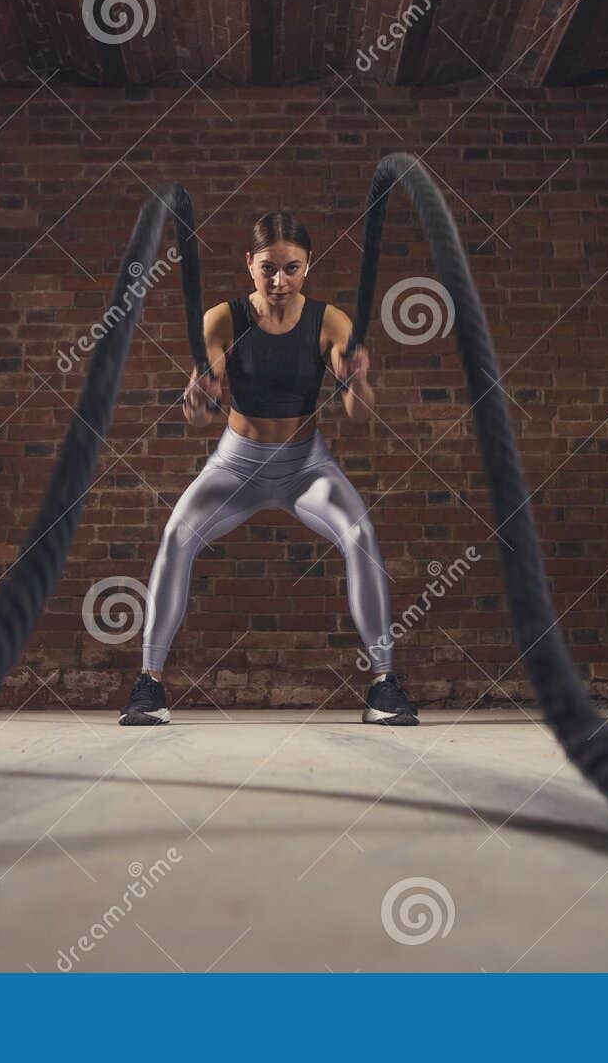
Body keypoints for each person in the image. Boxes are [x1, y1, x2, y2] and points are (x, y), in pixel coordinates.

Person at [117, 211, 419, 726]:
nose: (280, 281)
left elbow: (357, 413)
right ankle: (149, 685)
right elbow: (202, 398)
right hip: (236, 466)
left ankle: (384, 686)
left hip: (306, 467)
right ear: (249, 266)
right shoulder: (222, 318)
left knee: (360, 533)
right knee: (176, 535)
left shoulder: (331, 321)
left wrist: (357, 381)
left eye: (293, 269)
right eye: (268, 269)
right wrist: (199, 399)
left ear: (308, 267)